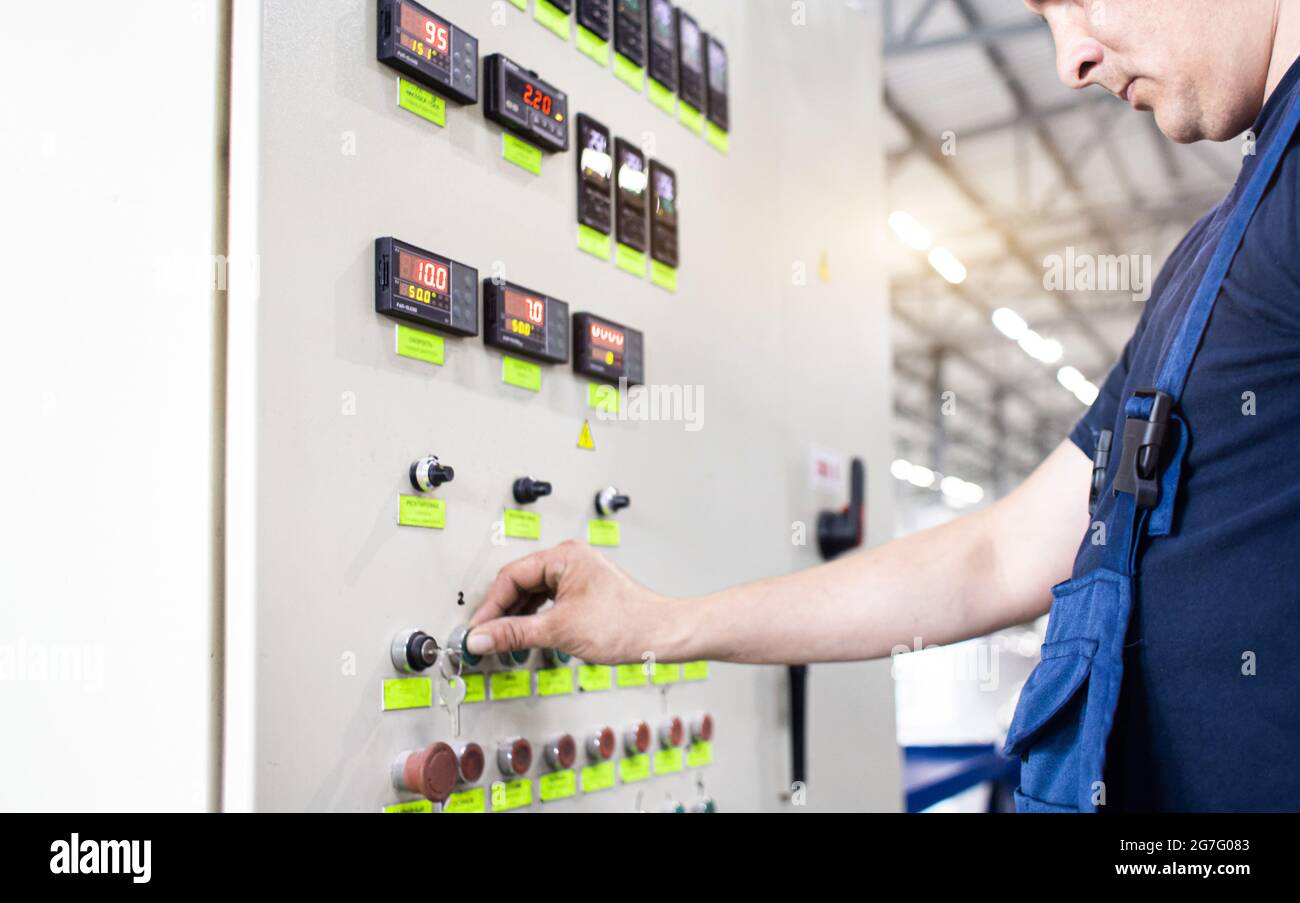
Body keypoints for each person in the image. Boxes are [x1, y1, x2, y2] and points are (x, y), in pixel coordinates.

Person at [464, 1, 1300, 812]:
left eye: (1075, 1)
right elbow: (995, 556)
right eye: (1044, 20)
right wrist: (659, 623)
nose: (1068, 60)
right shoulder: (1208, 262)